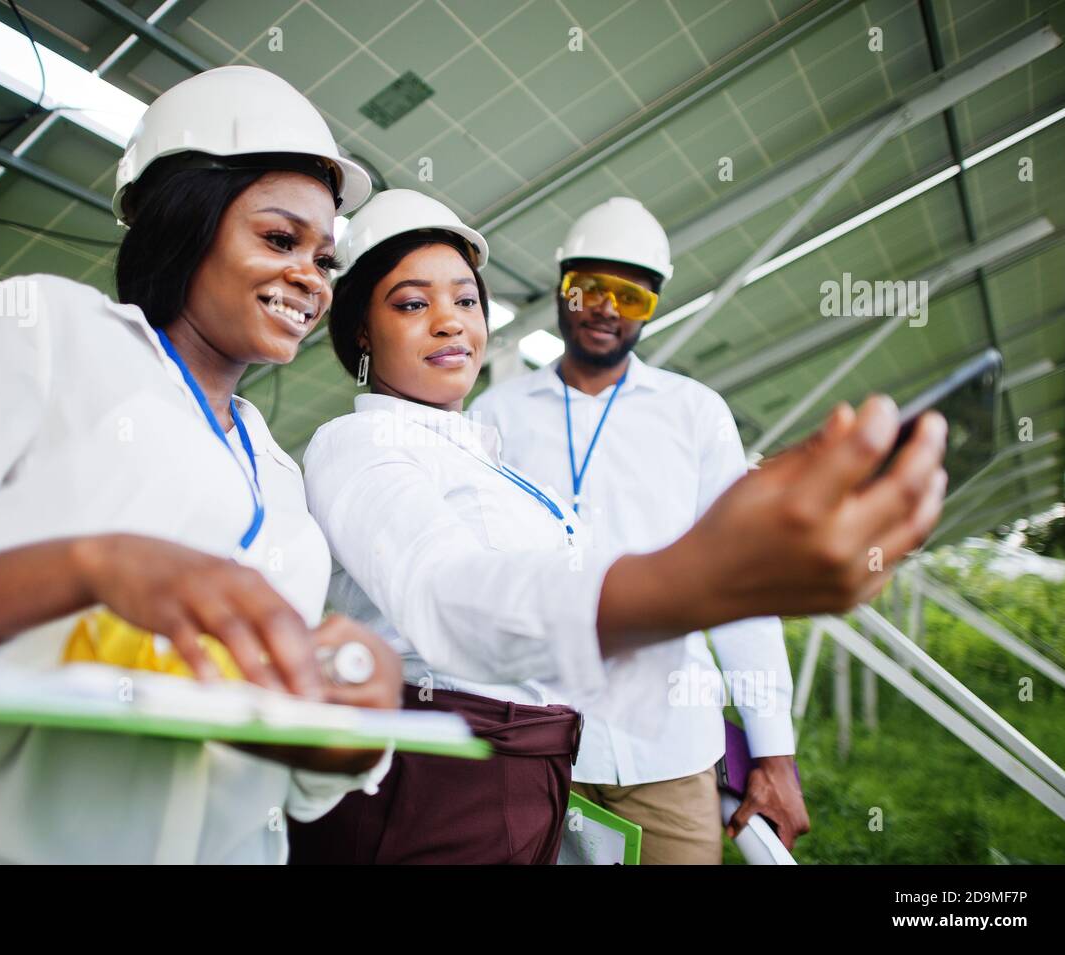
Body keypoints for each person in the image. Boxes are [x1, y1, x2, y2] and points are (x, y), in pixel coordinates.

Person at [0, 65, 403, 865]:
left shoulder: (281, 474)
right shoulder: (49, 329)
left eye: (325, 258)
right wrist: (89, 566)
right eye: (280, 239)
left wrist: (345, 742)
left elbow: (278, 777)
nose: (310, 279)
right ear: (184, 220)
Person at [288, 189, 948, 864]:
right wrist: (710, 575)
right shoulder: (411, 432)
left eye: (465, 300)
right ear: (561, 288)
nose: (451, 323)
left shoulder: (675, 415)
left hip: (637, 745)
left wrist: (767, 741)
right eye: (411, 302)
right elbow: (450, 592)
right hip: (471, 771)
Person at [470, 197, 804, 864]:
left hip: (672, 751)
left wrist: (773, 750)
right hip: (538, 746)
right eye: (588, 288)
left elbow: (739, 587)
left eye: (631, 296)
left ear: (654, 303)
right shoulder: (496, 413)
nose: (606, 308)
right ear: (563, 286)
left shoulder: (696, 415)